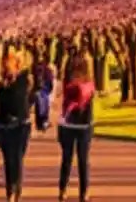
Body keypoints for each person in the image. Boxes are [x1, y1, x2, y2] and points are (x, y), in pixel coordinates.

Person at [57, 55, 95, 202]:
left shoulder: (67, 82)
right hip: (84, 124)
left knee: (66, 158)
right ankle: (84, 191)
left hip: (68, 123)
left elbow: (61, 97)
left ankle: (63, 189)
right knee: (83, 160)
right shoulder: (89, 83)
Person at [0, 53, 32, 202]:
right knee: (8, 160)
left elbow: (19, 100)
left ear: (16, 66)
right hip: (4, 127)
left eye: (9, 66)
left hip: (20, 126)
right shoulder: (2, 84)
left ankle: (16, 191)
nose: (7, 69)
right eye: (5, 66)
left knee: (16, 159)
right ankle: (10, 190)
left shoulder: (23, 81)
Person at [31, 53, 55, 133]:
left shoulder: (35, 68)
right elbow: (50, 81)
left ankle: (39, 124)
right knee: (45, 108)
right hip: (45, 91)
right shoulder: (48, 69)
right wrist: (49, 90)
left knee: (38, 108)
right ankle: (44, 123)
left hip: (38, 91)